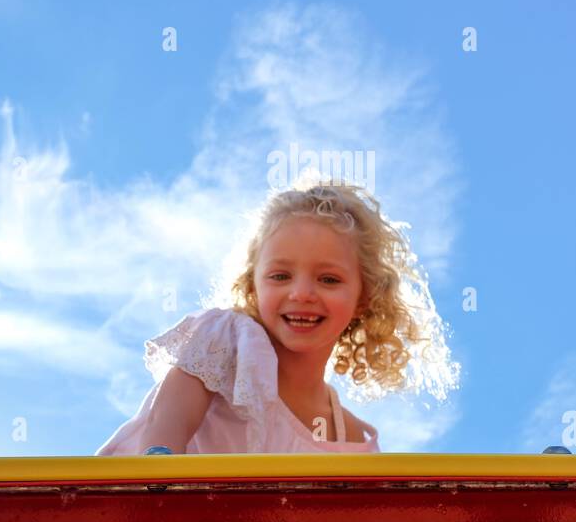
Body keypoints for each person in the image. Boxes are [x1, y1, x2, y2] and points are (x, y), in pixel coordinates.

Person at [95, 181, 460, 455]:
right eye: (280, 276)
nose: (301, 293)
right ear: (253, 288)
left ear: (363, 299)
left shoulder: (346, 433)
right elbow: (165, 427)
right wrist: (157, 472)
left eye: (328, 279)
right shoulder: (229, 343)